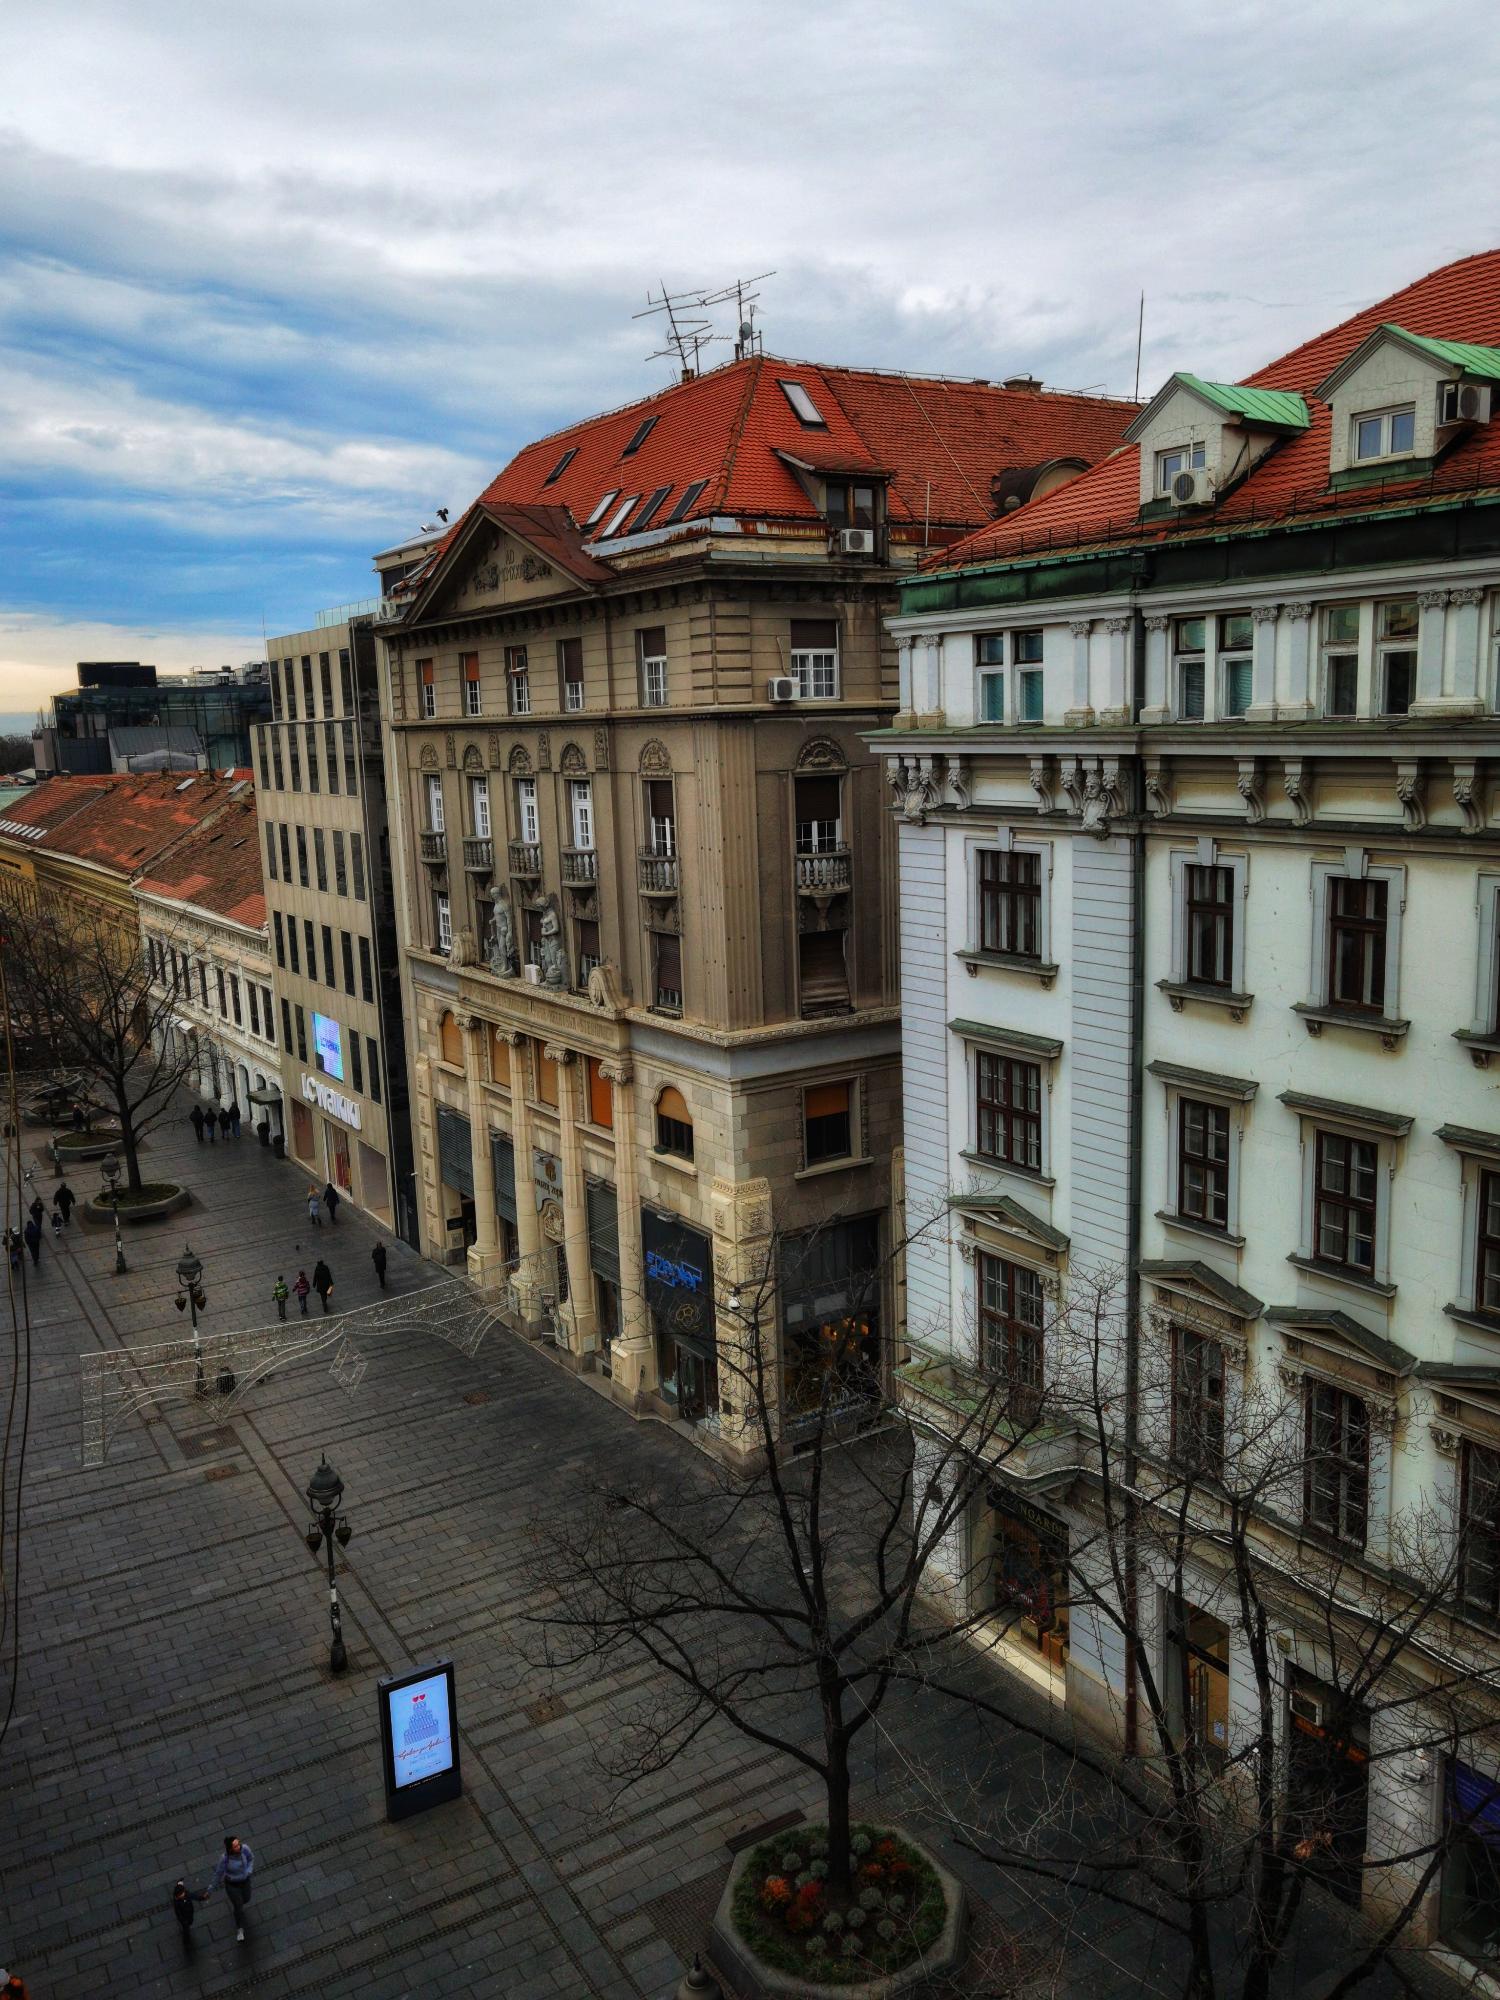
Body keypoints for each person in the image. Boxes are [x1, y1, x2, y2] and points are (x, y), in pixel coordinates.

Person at [205, 1833, 255, 1941]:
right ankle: (240, 1929)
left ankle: (239, 1907)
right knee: (238, 1907)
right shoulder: (225, 1859)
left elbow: (251, 1858)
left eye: (239, 1844)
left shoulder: (245, 1849)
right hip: (233, 1885)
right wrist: (210, 1890)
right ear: (230, 1849)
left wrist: (249, 1871)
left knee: (247, 1899)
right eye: (236, 1846)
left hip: (245, 1881)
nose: (239, 1846)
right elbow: (218, 1874)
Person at [171, 1878, 203, 1951]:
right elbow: (178, 1914)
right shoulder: (177, 1903)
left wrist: (202, 1898)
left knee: (191, 1921)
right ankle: (186, 1942)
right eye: (182, 1893)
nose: (184, 1893)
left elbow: (194, 1896)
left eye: (183, 1892)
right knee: (186, 1930)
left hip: (190, 1912)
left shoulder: (185, 1893)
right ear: (178, 1895)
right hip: (184, 1918)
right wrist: (183, 1921)